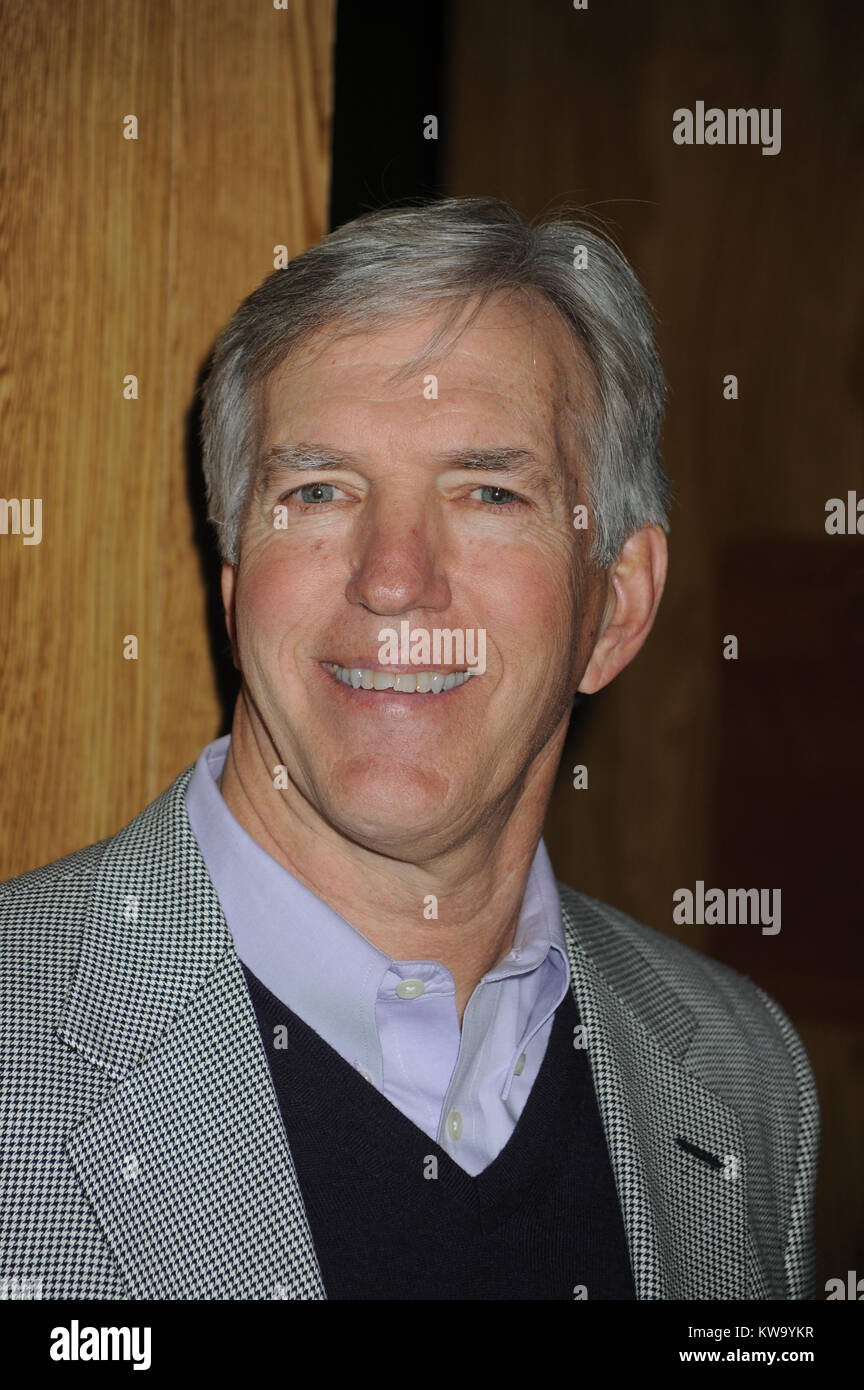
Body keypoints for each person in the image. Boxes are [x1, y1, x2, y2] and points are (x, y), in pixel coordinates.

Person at [0, 197, 818, 1300]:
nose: (393, 577)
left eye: (488, 491)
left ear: (615, 607)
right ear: (237, 586)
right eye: (319, 490)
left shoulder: (746, 1076)